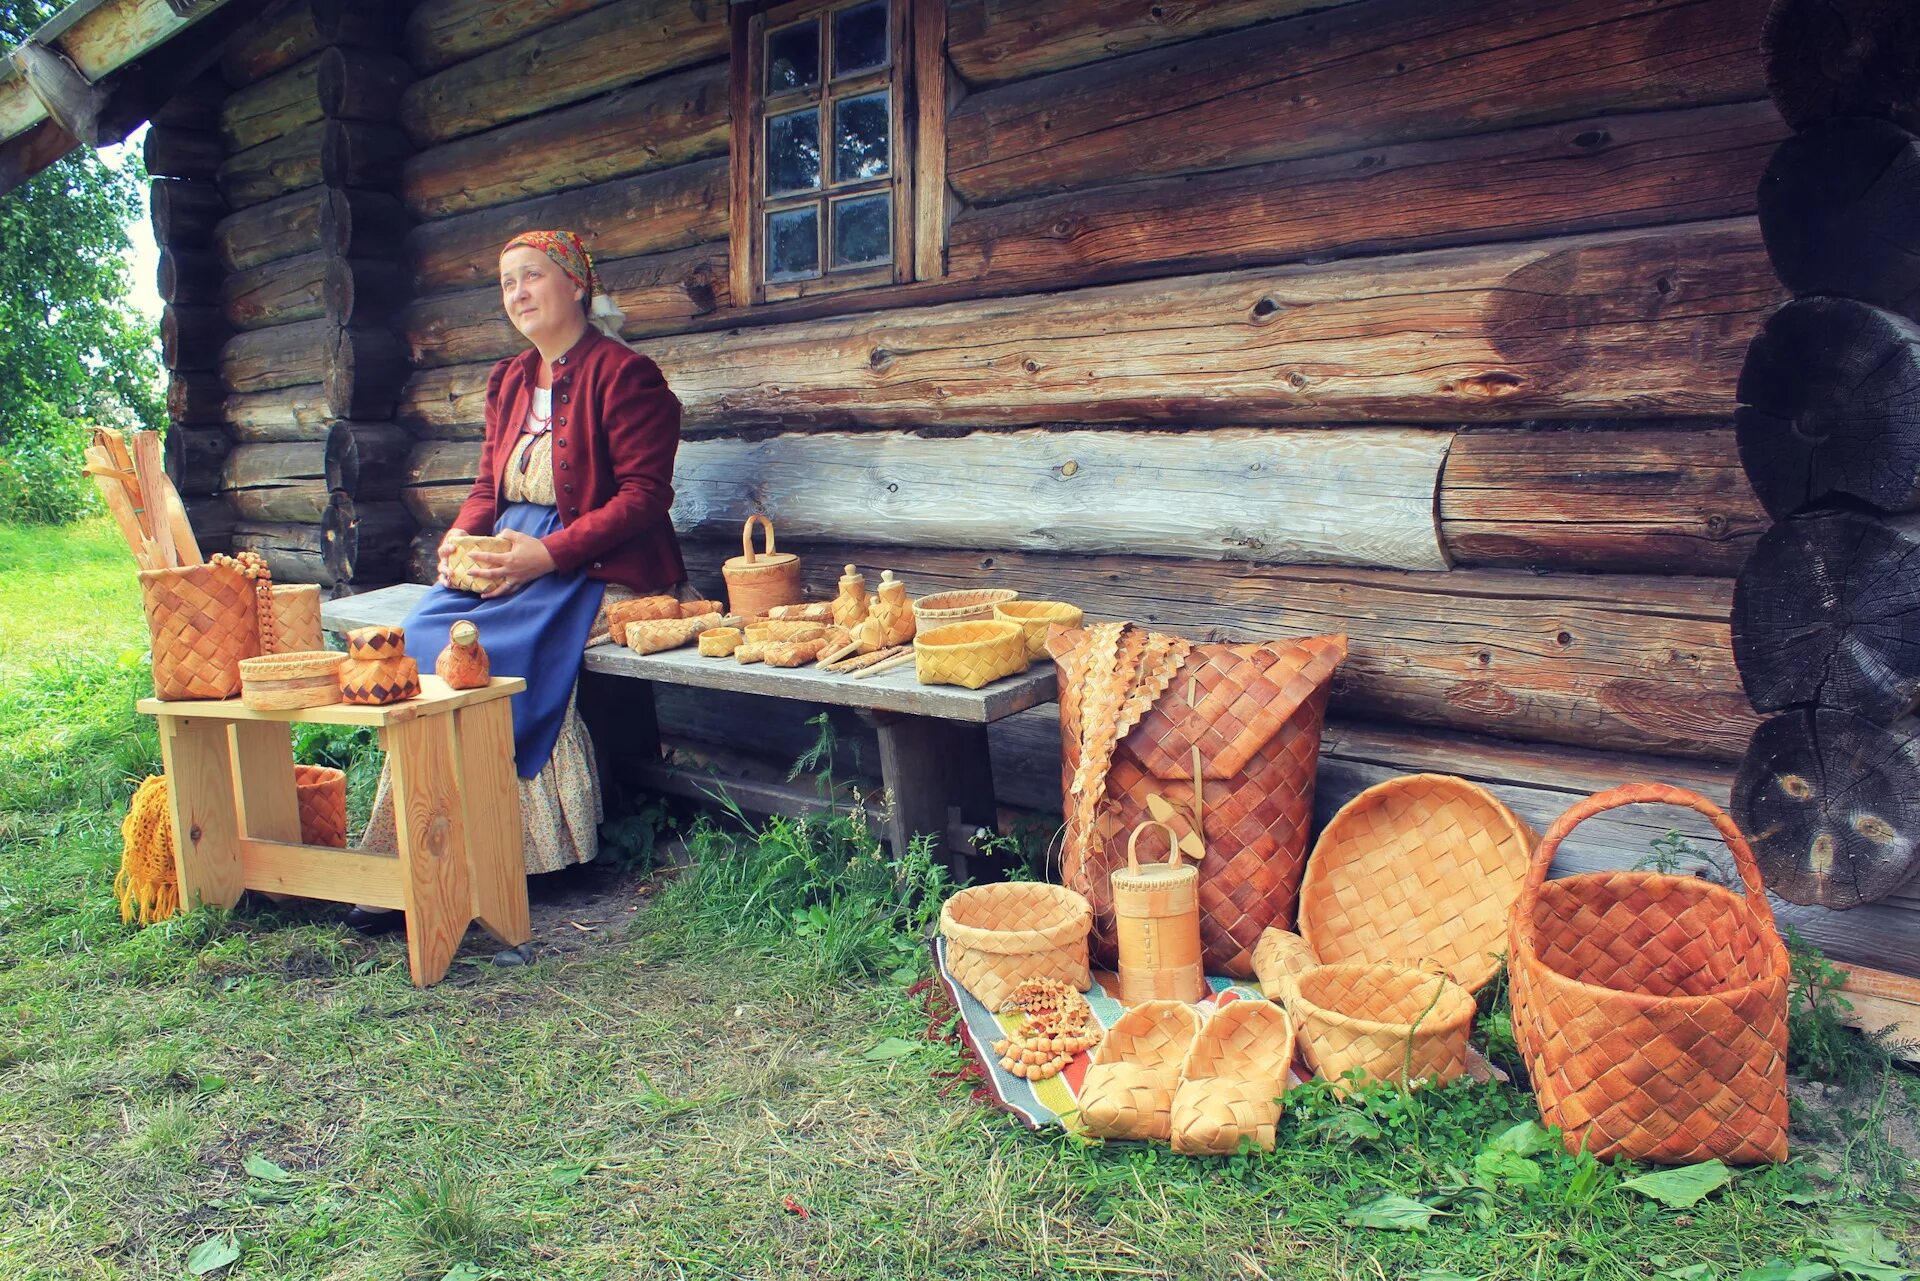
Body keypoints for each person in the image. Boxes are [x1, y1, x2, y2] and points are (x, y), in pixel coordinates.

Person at [346, 229, 685, 932]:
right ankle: (414, 848)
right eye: (507, 283)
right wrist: (459, 538)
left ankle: (520, 852)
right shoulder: (507, 380)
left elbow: (644, 497)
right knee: (424, 636)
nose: (518, 294)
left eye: (531, 277)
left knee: (487, 648)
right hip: (512, 558)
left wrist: (546, 555)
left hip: (598, 566)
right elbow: (485, 488)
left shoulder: (627, 375)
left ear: (577, 284)